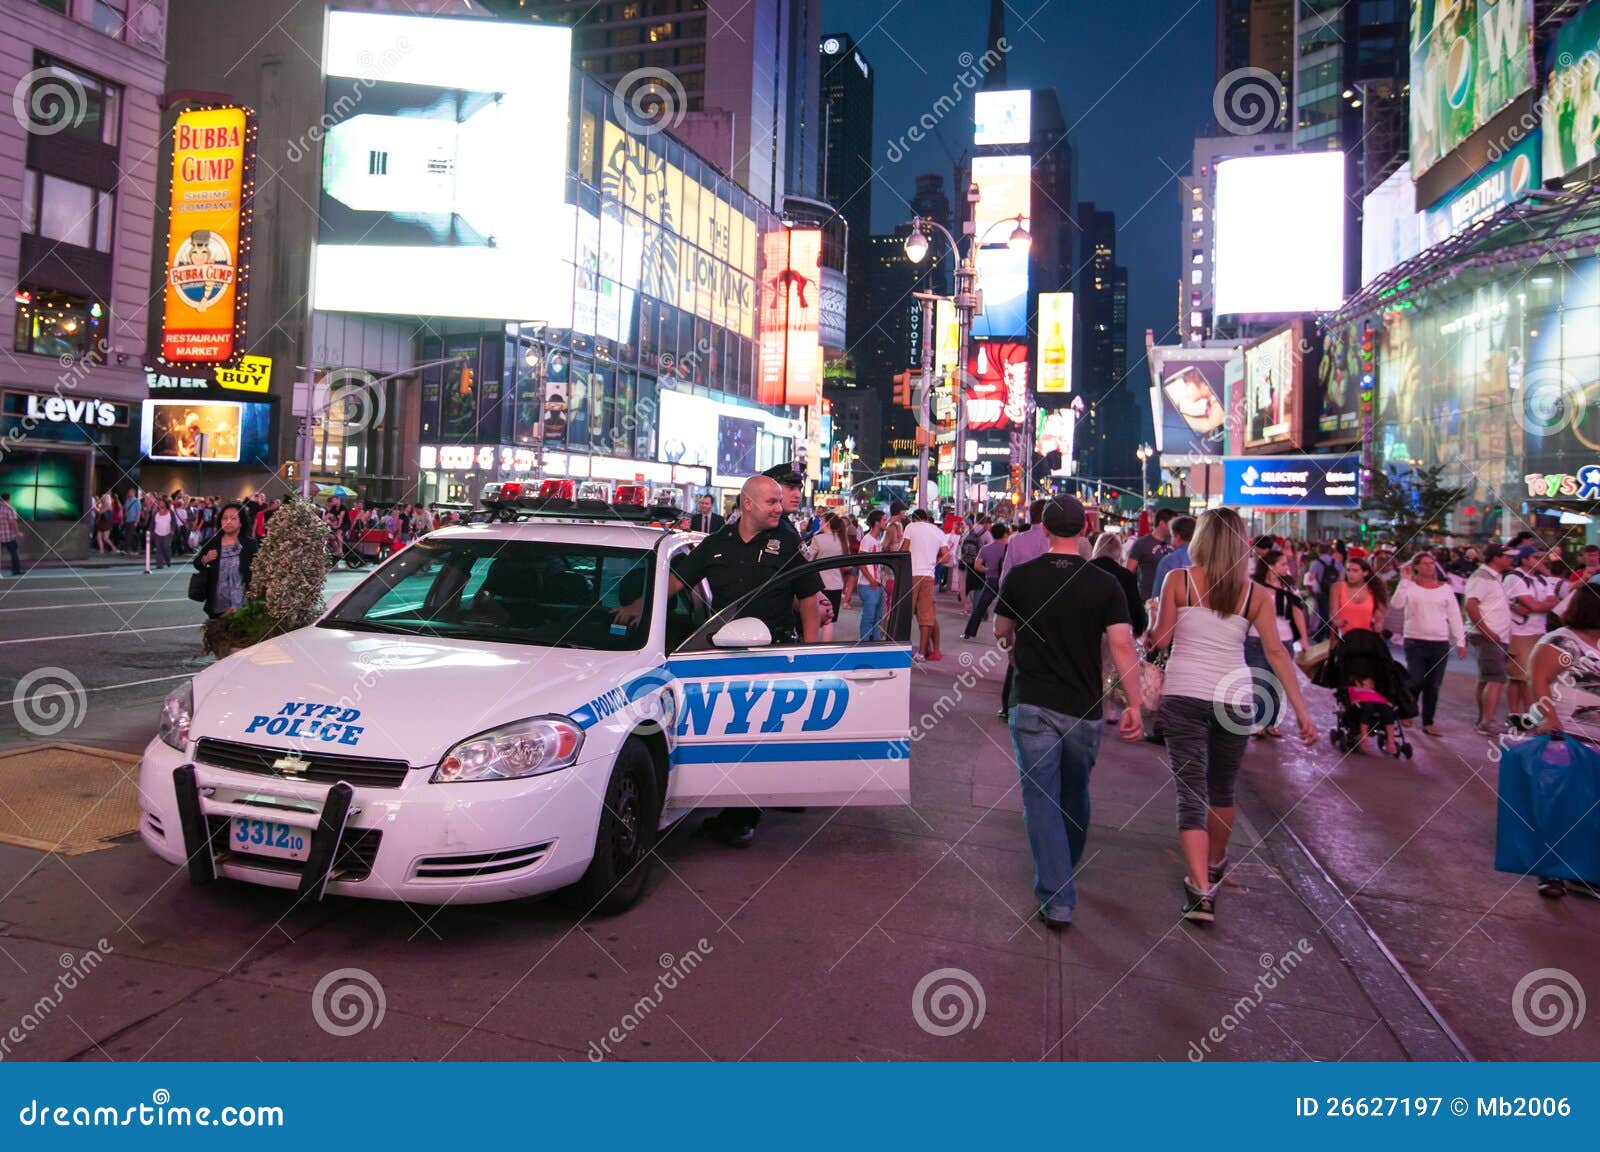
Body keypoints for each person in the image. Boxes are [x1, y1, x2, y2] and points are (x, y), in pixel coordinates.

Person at [615, 475, 821, 848]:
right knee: (733, 735)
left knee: (761, 738)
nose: (780, 507)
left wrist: (812, 655)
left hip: (772, 654)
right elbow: (675, 583)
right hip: (723, 655)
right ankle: (734, 808)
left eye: (780, 502)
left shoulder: (788, 543)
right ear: (747, 505)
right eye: (771, 502)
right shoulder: (715, 545)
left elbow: (809, 602)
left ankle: (743, 816)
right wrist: (637, 606)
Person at [1150, 508, 1316, 924]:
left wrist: (1155, 616)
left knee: (1190, 791)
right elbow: (1277, 653)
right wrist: (1300, 709)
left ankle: (1199, 890)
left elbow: (1161, 640)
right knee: (1221, 789)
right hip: (1234, 698)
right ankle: (1216, 862)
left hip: (1184, 692)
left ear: (1201, 539)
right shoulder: (1255, 594)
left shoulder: (1179, 579)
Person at [994, 496, 1143, 929]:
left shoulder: (1022, 577)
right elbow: (1121, 645)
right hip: (1084, 707)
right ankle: (1062, 875)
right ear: (1084, 530)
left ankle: (1057, 892)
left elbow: (1002, 629)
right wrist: (1135, 704)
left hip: (1033, 701)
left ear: (1044, 530)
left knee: (1041, 798)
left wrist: (1013, 642)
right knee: (1075, 793)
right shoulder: (1104, 584)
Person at [1528, 578, 1600, 897]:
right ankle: (1551, 873)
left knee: (1590, 807)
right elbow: (1540, 679)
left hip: (1596, 739)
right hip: (1568, 733)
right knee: (1561, 804)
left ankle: (1582, 871)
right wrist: (1549, 717)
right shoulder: (1562, 641)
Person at [1390, 551, 1467, 736]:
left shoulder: (1445, 588)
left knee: (1433, 684)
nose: (1430, 566)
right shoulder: (1410, 586)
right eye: (1425, 563)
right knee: (1416, 679)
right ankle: (1407, 711)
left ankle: (1428, 722)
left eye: (1432, 563)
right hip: (1415, 640)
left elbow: (1454, 615)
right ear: (1416, 566)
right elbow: (1397, 604)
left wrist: (1460, 640)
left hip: (1439, 642)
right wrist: (1404, 582)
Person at [1247, 549, 1308, 738]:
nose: (1286, 567)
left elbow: (1298, 613)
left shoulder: (1289, 588)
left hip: (1284, 641)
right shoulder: (1253, 586)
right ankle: (1259, 723)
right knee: (1260, 683)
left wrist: (1304, 640)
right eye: (1282, 564)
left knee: (1277, 685)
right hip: (1256, 640)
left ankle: (1271, 723)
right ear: (1269, 566)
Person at [1505, 545, 1561, 726]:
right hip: (1519, 632)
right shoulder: (1514, 578)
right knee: (1518, 676)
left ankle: (1528, 714)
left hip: (1539, 631)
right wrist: (1540, 605)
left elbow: (1552, 601)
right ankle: (1515, 714)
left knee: (1532, 676)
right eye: (1536, 557)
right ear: (1524, 559)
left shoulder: (1543, 579)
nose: (1541, 561)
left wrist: (1538, 605)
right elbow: (1537, 606)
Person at [1464, 542, 1515, 735]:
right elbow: (1471, 605)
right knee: (1496, 678)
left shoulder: (1493, 577)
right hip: (1488, 636)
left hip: (1494, 635)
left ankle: (1484, 719)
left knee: (1487, 679)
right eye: (1507, 556)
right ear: (1495, 558)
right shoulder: (1482, 578)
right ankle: (1487, 722)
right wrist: (1487, 631)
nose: (1511, 560)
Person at [194, 503, 256, 618]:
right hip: (217, 602)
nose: (228, 521)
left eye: (233, 518)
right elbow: (197, 563)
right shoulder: (212, 542)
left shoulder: (250, 544)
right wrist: (206, 559)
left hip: (244, 603)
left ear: (241, 522)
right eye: (224, 518)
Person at [904, 508, 950, 661]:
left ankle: (900, 648)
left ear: (914, 519)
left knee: (904, 613)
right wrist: (935, 562)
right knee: (927, 616)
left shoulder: (910, 527)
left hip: (911, 574)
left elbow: (904, 551)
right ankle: (922, 653)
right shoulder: (938, 531)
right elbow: (947, 556)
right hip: (928, 576)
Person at [962, 522, 1010, 640]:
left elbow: (977, 566)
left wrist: (988, 570)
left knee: (980, 607)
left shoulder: (986, 549)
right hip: (1007, 581)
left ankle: (969, 633)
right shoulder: (1010, 547)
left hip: (991, 580)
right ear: (1005, 534)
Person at [807, 512, 851, 628]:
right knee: (830, 620)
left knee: (818, 618)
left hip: (820, 585)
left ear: (827, 523)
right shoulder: (842, 539)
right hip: (837, 584)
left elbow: (808, 558)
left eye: (821, 521)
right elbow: (847, 566)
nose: (820, 523)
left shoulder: (818, 538)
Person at [1329, 555, 1389, 637]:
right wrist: (1336, 621)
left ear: (1365, 573)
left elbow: (1379, 615)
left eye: (1355, 571)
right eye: (1348, 570)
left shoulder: (1374, 589)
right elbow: (1333, 613)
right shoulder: (1337, 587)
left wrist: (1378, 624)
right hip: (1344, 638)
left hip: (1367, 638)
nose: (1350, 574)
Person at [1125, 508, 1174, 601]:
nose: (1175, 527)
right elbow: (1128, 572)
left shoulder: (1174, 542)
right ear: (1162, 523)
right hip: (1147, 598)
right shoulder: (1141, 543)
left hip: (1170, 597)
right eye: (1172, 524)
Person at [1346, 674, 1402, 756]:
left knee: (1388, 710)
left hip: (1379, 704)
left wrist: (1388, 703)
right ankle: (1364, 739)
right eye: (1369, 683)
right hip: (1364, 703)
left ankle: (1390, 740)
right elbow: (1351, 698)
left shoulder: (1374, 692)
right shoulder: (1353, 689)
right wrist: (1353, 702)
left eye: (1373, 684)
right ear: (1358, 683)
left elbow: (1383, 700)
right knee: (1368, 708)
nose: (1372, 685)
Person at [857, 509, 887, 642]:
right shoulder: (867, 539)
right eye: (884, 520)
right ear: (877, 523)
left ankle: (874, 643)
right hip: (868, 585)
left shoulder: (878, 540)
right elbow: (861, 562)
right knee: (869, 617)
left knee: (878, 617)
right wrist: (871, 580)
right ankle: (865, 644)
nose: (886, 522)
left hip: (876, 584)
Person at [1305, 542, 1345, 640]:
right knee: (1331, 613)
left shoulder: (1315, 563)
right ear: (1329, 551)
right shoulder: (1336, 562)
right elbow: (1342, 577)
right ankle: (1326, 635)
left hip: (1321, 592)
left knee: (1324, 614)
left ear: (1319, 551)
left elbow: (1311, 578)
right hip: (1335, 592)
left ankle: (1323, 636)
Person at [1151, 515, 1195, 599]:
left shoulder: (1168, 561)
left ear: (1177, 537)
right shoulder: (1206, 558)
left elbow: (1157, 597)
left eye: (1171, 536)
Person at [0, 492, 22, 576]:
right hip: (8, 536)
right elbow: (13, 522)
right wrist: (17, 533)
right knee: (14, 553)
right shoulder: (10, 509)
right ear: (9, 499)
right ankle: (16, 570)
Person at [150, 496, 175, 569]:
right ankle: (159, 564)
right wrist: (150, 533)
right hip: (157, 533)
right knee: (159, 549)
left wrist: (172, 529)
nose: (160, 504)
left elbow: (174, 522)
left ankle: (168, 560)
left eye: (162, 503)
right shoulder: (155, 513)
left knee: (166, 547)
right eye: (159, 503)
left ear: (165, 504)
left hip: (167, 533)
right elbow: (152, 524)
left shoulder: (170, 512)